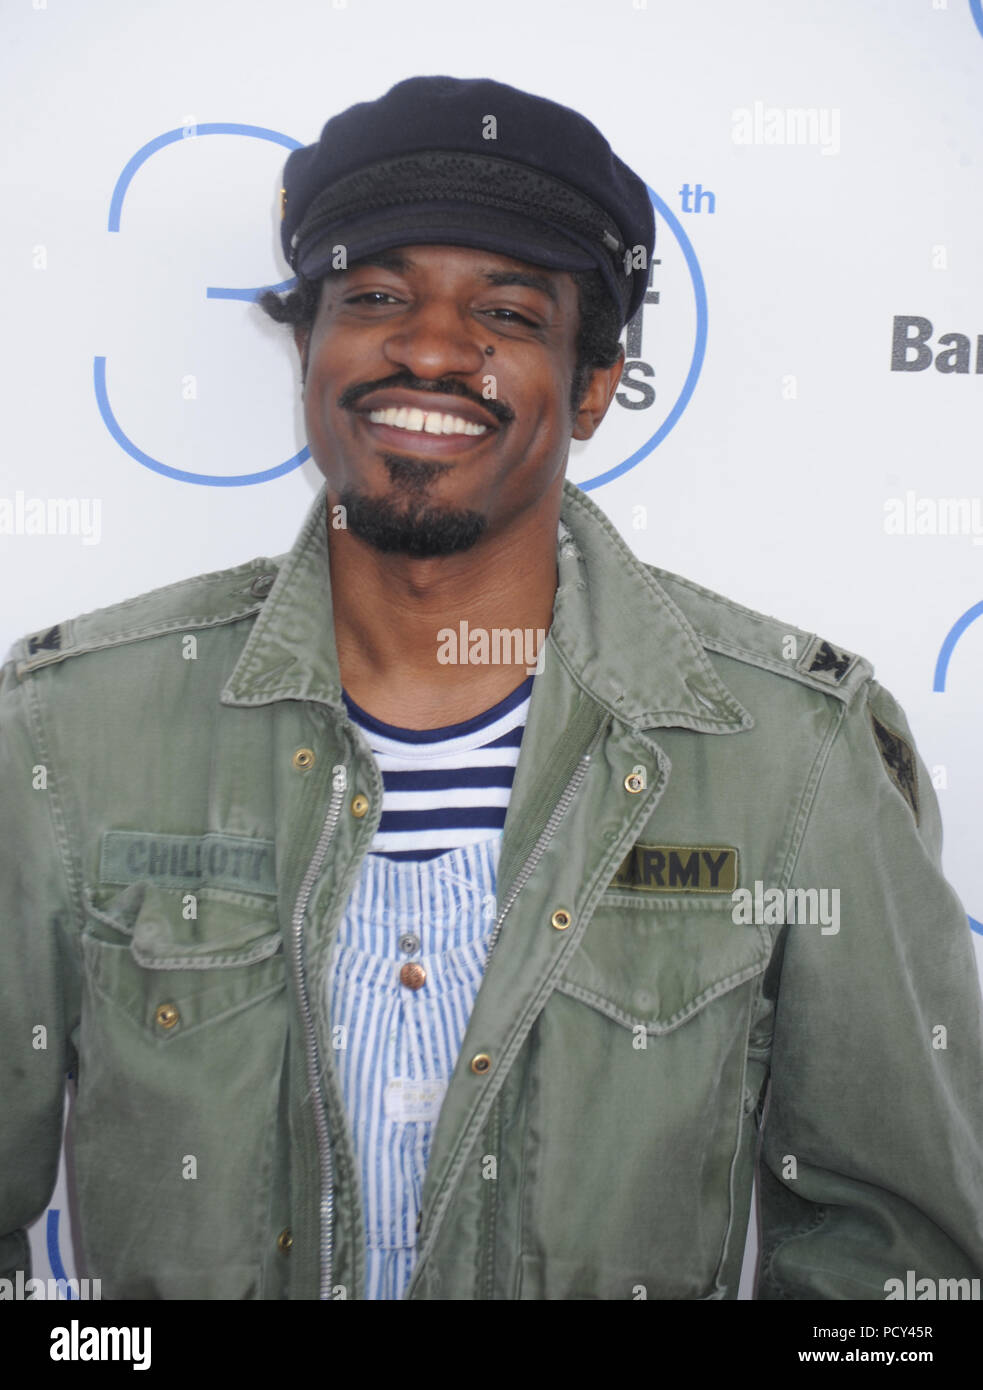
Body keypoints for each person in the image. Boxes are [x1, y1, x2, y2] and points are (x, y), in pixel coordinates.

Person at [1, 75, 981, 1302]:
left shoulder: (791, 754)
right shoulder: (69, 732)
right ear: (306, 347)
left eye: (506, 312)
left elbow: (900, 1263)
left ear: (591, 386)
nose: (427, 346)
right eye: (375, 297)